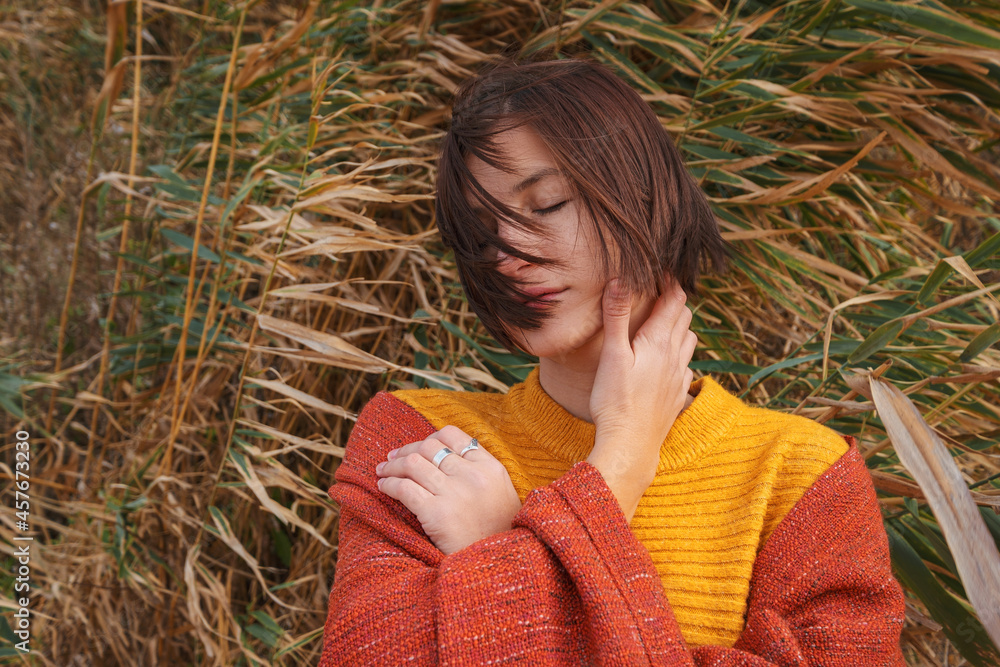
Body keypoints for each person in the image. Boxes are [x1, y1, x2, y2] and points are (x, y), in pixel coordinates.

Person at [318, 57, 905, 665]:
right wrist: (619, 463)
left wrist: (503, 552)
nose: (508, 254)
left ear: (649, 195)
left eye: (544, 204)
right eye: (483, 234)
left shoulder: (801, 477)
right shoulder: (425, 444)